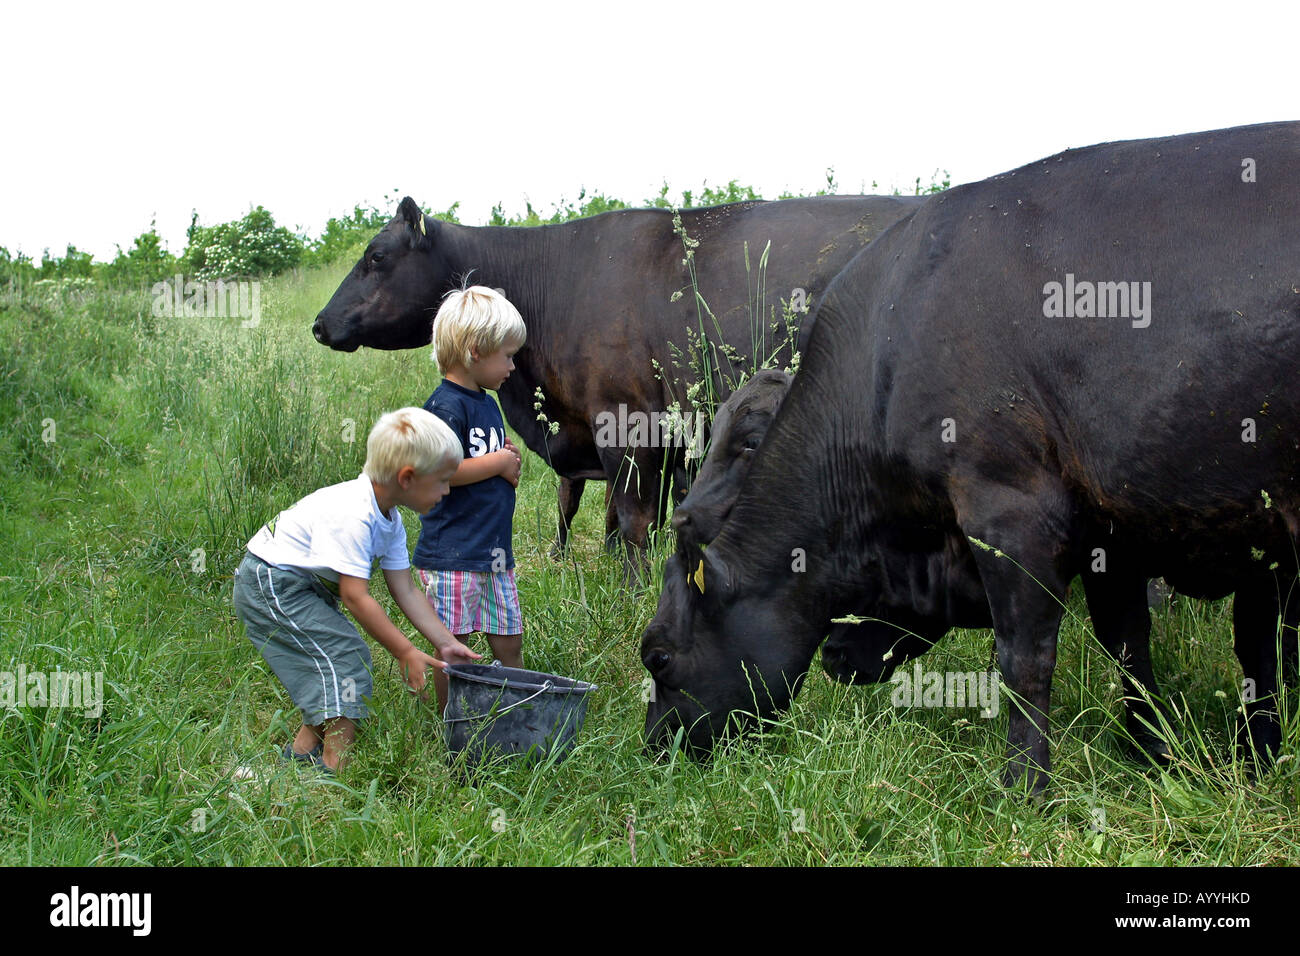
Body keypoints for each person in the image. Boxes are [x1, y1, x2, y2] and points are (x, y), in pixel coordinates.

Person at [233, 407, 481, 774]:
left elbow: (406, 590)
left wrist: (444, 643)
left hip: (298, 587)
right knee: (345, 657)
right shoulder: (355, 514)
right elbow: (355, 596)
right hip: (270, 583)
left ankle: (303, 754)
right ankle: (336, 767)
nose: (447, 490)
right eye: (443, 481)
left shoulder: (391, 520)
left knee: (328, 663)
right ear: (408, 477)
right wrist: (404, 650)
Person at [413, 286, 526, 715]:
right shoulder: (444, 408)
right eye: (507, 355)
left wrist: (505, 455)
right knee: (453, 645)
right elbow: (441, 470)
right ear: (476, 351)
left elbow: (484, 453)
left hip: (494, 553)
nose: (513, 366)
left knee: (509, 639)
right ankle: (450, 722)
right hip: (453, 554)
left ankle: (513, 710)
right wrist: (497, 464)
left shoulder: (486, 404)